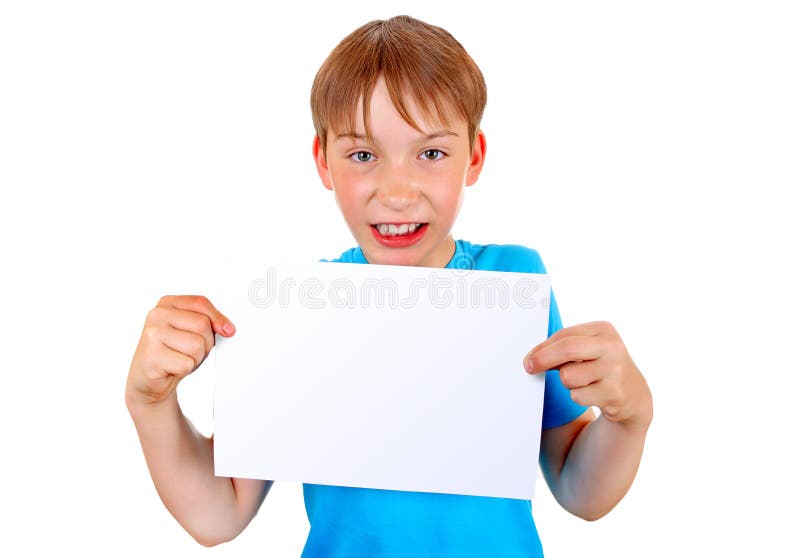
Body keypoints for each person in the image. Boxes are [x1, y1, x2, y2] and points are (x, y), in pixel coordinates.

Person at [126, 15, 653, 557]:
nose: (397, 192)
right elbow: (218, 513)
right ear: (323, 162)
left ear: (473, 157)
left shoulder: (513, 282)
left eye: (430, 153)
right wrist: (151, 404)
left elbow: (578, 488)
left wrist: (630, 417)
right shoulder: (300, 311)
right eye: (362, 155)